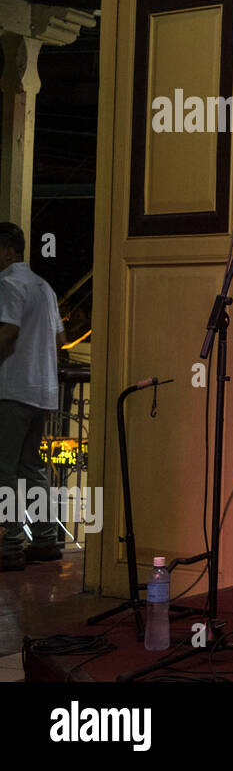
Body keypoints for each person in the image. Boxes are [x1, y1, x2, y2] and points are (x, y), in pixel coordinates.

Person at [0, 223, 67, 571]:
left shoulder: (8, 283)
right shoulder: (44, 287)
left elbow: (8, 332)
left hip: (12, 388)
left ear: (9, 251)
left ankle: (10, 543)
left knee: (5, 469)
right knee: (32, 467)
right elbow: (58, 340)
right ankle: (44, 538)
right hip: (43, 391)